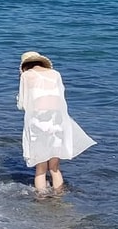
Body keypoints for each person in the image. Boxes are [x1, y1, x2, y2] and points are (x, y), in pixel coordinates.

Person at [17, 51, 96, 194]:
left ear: (25, 66)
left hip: (37, 120)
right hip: (58, 120)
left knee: (41, 167)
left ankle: (41, 199)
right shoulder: (56, 74)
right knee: (54, 167)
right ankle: (58, 199)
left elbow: (23, 103)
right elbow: (61, 98)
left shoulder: (26, 76)